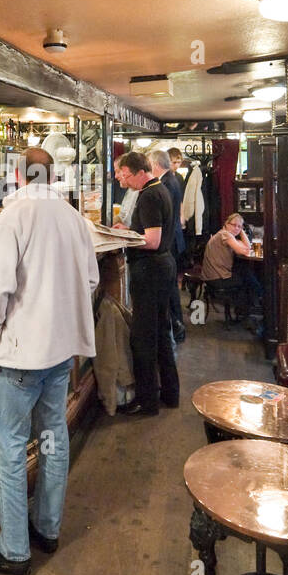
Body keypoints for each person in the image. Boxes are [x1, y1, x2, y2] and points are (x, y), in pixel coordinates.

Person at [0, 147, 98, 575]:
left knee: (8, 446)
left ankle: (13, 550)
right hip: (61, 354)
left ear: (18, 175)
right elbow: (92, 279)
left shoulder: (14, 213)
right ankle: (47, 529)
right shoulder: (73, 217)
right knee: (53, 438)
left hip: (21, 354)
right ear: (53, 174)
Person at [112, 151, 179, 414]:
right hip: (162, 268)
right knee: (161, 332)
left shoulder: (149, 194)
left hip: (150, 271)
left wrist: (123, 238)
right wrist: (129, 232)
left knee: (143, 338)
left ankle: (147, 401)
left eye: (123, 173)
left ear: (139, 172)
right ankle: (170, 394)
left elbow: (152, 241)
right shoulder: (158, 188)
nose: (120, 178)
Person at [149, 148, 187, 343]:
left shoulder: (166, 183)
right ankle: (176, 325)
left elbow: (165, 218)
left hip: (169, 241)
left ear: (155, 164)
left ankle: (176, 326)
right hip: (173, 239)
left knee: (169, 287)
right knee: (171, 286)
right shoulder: (172, 179)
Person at [201, 212, 264, 318]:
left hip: (212, 276)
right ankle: (254, 305)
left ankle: (246, 309)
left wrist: (241, 232)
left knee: (245, 272)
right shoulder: (225, 235)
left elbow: (247, 247)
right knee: (247, 278)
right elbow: (244, 251)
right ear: (226, 224)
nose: (236, 228)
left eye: (239, 226)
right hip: (217, 278)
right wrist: (241, 232)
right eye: (233, 225)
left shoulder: (224, 234)